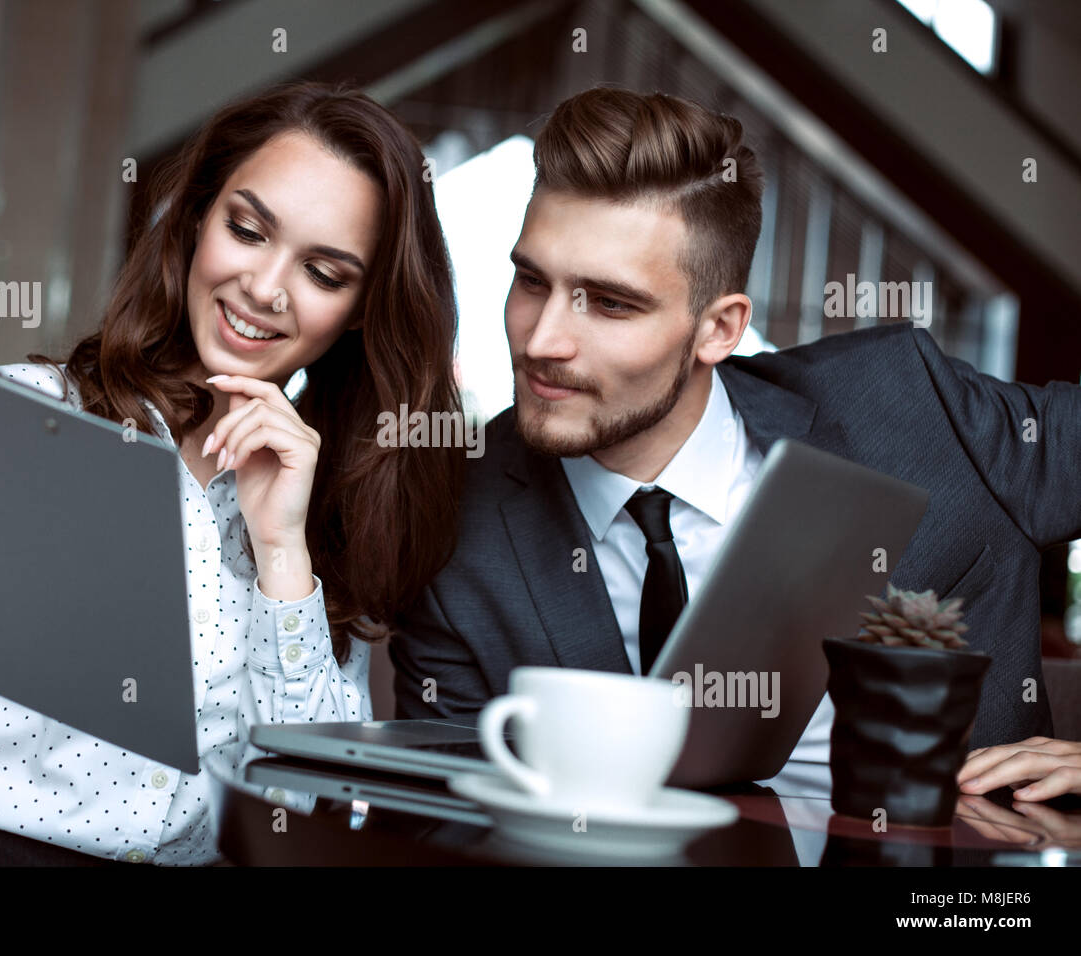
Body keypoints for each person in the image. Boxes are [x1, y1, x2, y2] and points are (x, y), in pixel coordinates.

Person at [0, 81, 463, 865]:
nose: (266, 288)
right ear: (197, 219)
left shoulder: (318, 514)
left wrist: (282, 552)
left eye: (324, 273)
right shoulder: (19, 416)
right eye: (247, 230)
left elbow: (299, 812)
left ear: (358, 312)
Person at [390, 86, 1081, 797]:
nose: (541, 341)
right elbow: (442, 820)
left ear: (719, 328)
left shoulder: (908, 406)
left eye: (613, 303)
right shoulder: (453, 523)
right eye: (531, 281)